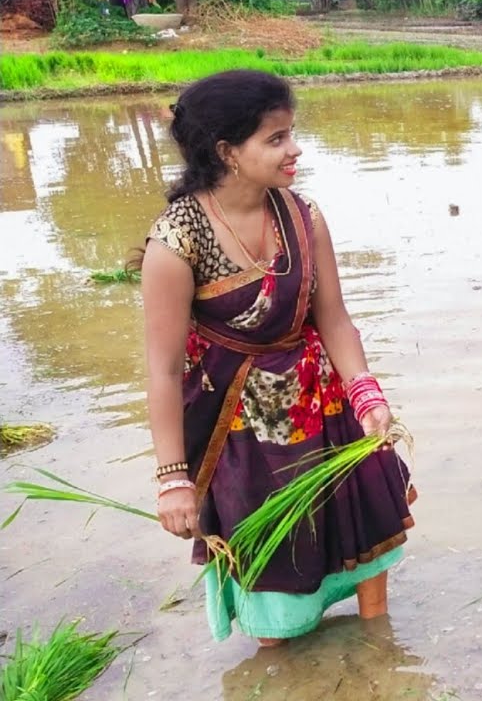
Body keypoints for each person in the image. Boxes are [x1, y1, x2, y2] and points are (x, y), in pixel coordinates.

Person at [139, 70, 414, 645]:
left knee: (363, 528)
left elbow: (333, 317)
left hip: (323, 404)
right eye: (276, 139)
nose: (295, 150)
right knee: (276, 572)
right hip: (243, 429)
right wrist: (173, 480)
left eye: (292, 133)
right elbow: (163, 371)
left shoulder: (301, 216)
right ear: (227, 152)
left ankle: (378, 663)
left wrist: (366, 393)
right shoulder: (177, 241)